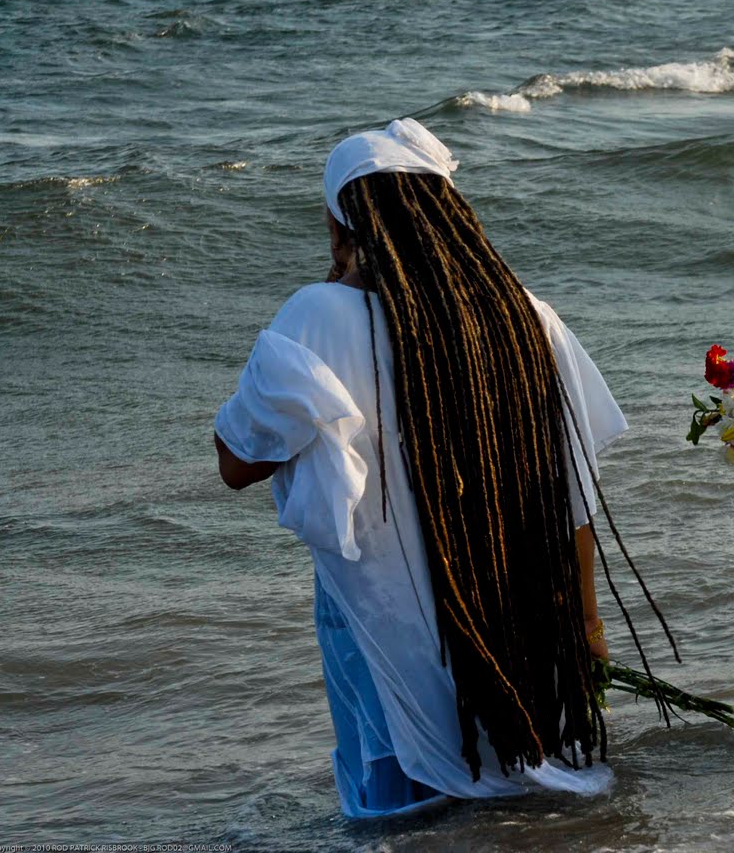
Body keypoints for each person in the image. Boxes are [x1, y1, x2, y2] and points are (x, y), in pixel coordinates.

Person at [213, 119, 636, 817]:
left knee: (407, 817)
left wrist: (327, 291)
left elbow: (236, 460)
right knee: (512, 804)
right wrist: (588, 628)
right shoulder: (527, 317)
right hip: (518, 631)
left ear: (348, 226)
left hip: (387, 626)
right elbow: (574, 491)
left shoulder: (317, 315)